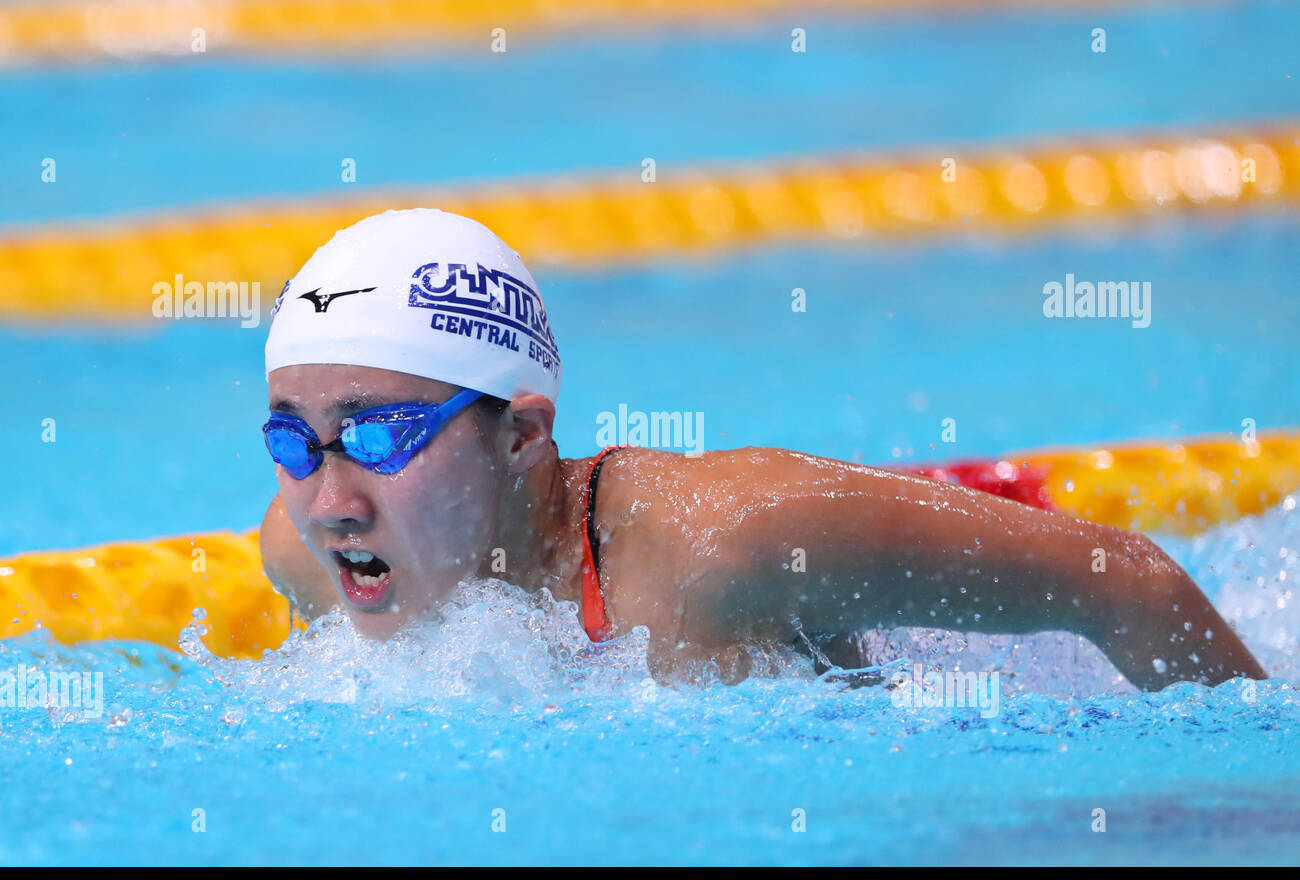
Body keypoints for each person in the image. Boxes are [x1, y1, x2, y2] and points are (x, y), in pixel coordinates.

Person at [259, 208, 1266, 691]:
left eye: (379, 435)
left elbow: (1128, 579)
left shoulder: (725, 540)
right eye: (293, 441)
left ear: (522, 434)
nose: (329, 499)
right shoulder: (307, 554)